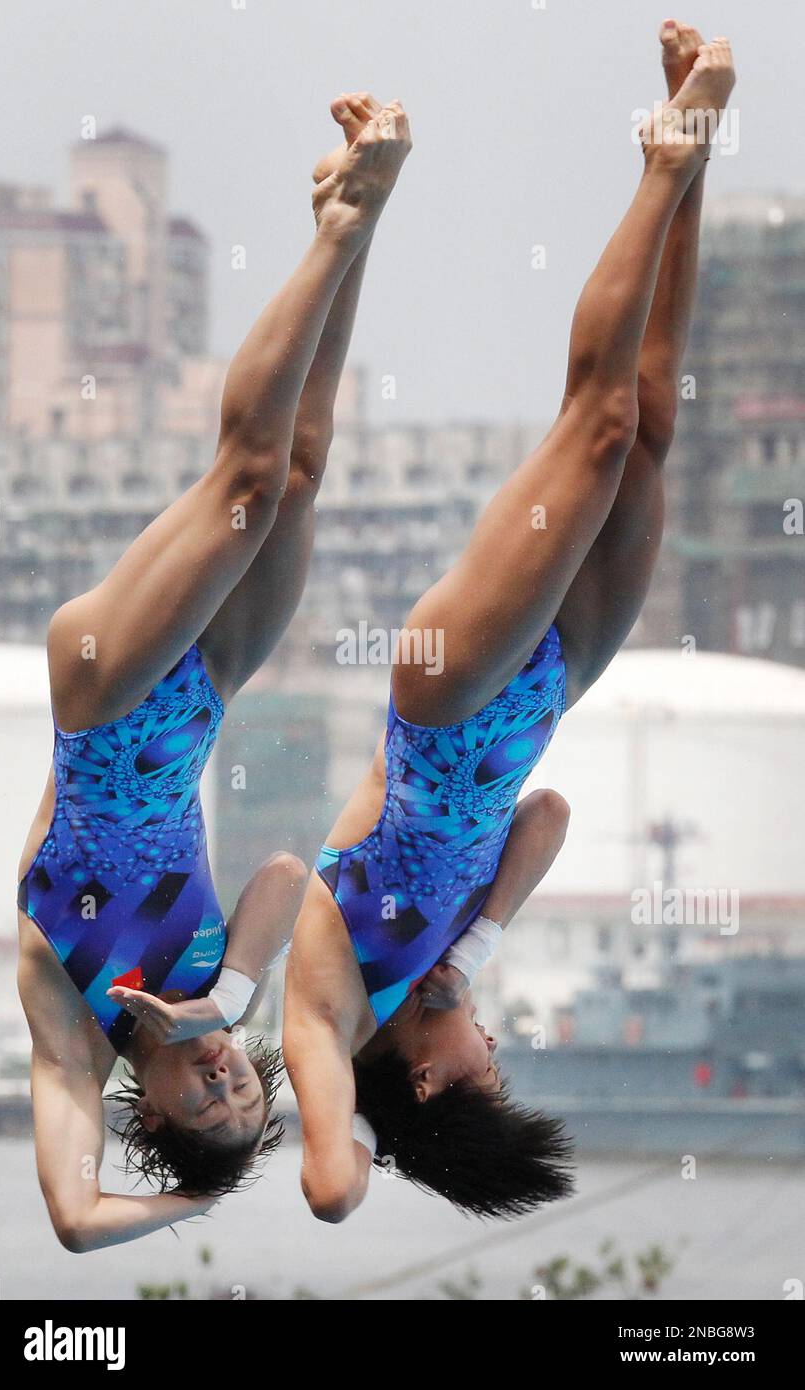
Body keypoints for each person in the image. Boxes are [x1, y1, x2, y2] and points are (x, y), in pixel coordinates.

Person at [284, 25, 735, 1221]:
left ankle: (659, 159)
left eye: (492, 1066)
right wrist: (476, 944)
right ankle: (689, 150)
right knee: (646, 427)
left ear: (431, 1084)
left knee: (589, 426)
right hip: (549, 693)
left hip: (451, 695)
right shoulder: (450, 965)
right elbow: (546, 814)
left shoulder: (336, 1006)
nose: (494, 1040)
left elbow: (332, 1187)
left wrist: (361, 1150)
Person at [15, 94, 412, 1250]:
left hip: (100, 688)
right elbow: (289, 870)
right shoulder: (220, 987)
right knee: (296, 473)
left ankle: (336, 222)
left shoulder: (76, 1025)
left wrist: (201, 1197)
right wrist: (230, 990)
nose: (228, 1078)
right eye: (244, 1084)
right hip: (202, 696)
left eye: (209, 1100)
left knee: (240, 489)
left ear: (157, 1105)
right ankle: (363, 218)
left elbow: (78, 1222)